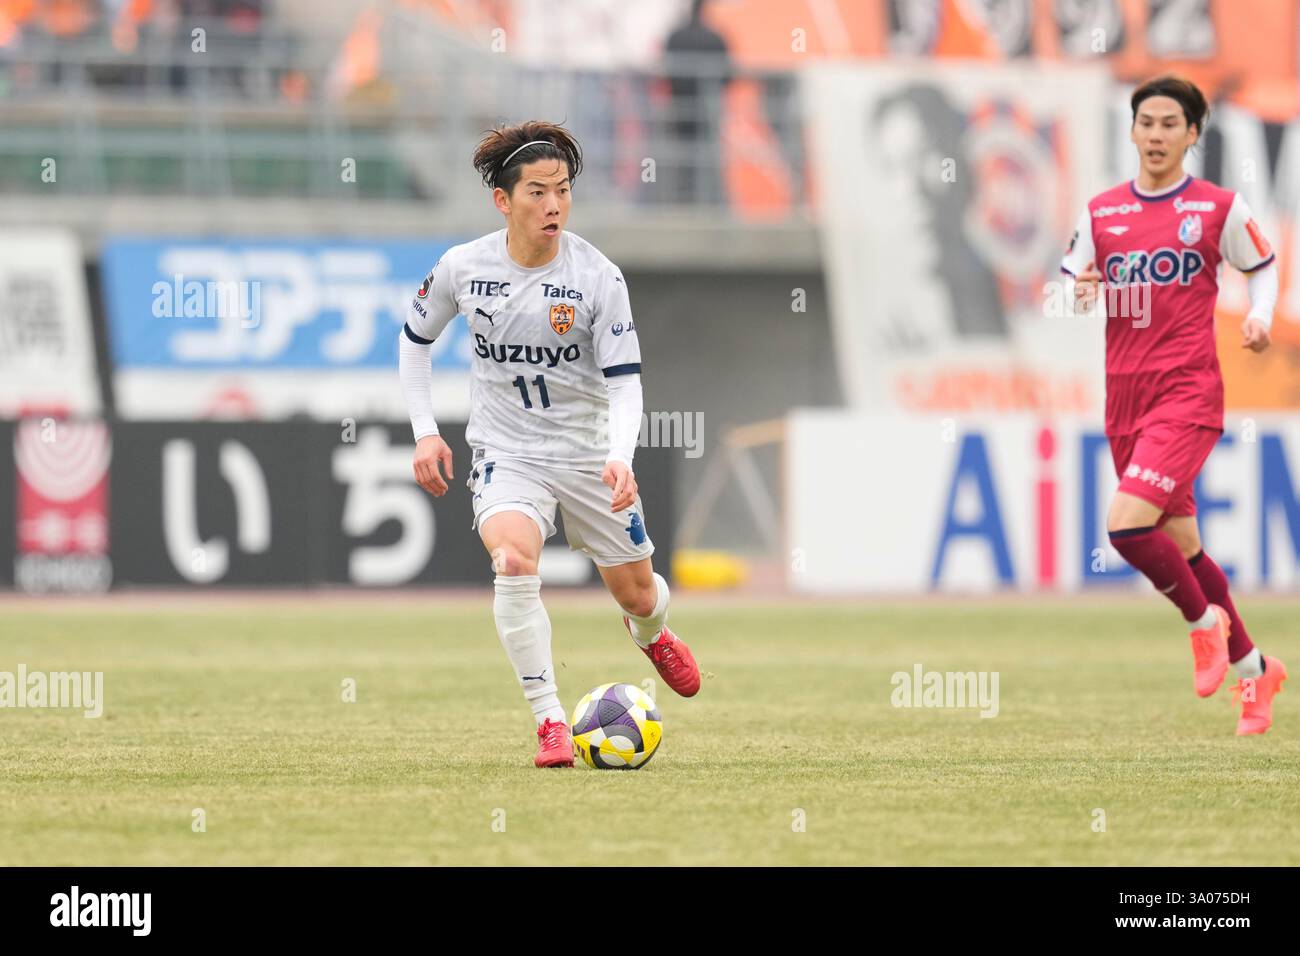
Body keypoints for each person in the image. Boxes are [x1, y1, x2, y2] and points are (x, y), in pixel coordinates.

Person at [398, 121, 702, 768]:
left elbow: (626, 385)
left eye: (562, 190)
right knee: (512, 562)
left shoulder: (598, 278)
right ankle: (550, 721)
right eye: (537, 191)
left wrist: (621, 456)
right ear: (503, 202)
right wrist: (425, 432)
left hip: (590, 453)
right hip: (509, 454)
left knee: (637, 594)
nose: (554, 205)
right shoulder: (462, 268)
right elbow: (414, 340)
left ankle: (651, 633)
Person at [1061, 75, 1286, 735]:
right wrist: (1076, 291)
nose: (1156, 135)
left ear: (1192, 134)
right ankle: (1255, 671)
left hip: (1187, 391)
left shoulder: (1217, 208)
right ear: (1132, 132)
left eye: (1170, 124)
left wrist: (1261, 315)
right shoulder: (1102, 212)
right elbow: (1071, 277)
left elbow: (1263, 264)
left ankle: (1202, 624)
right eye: (1146, 122)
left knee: (1127, 527)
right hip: (1124, 395)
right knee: (1181, 542)